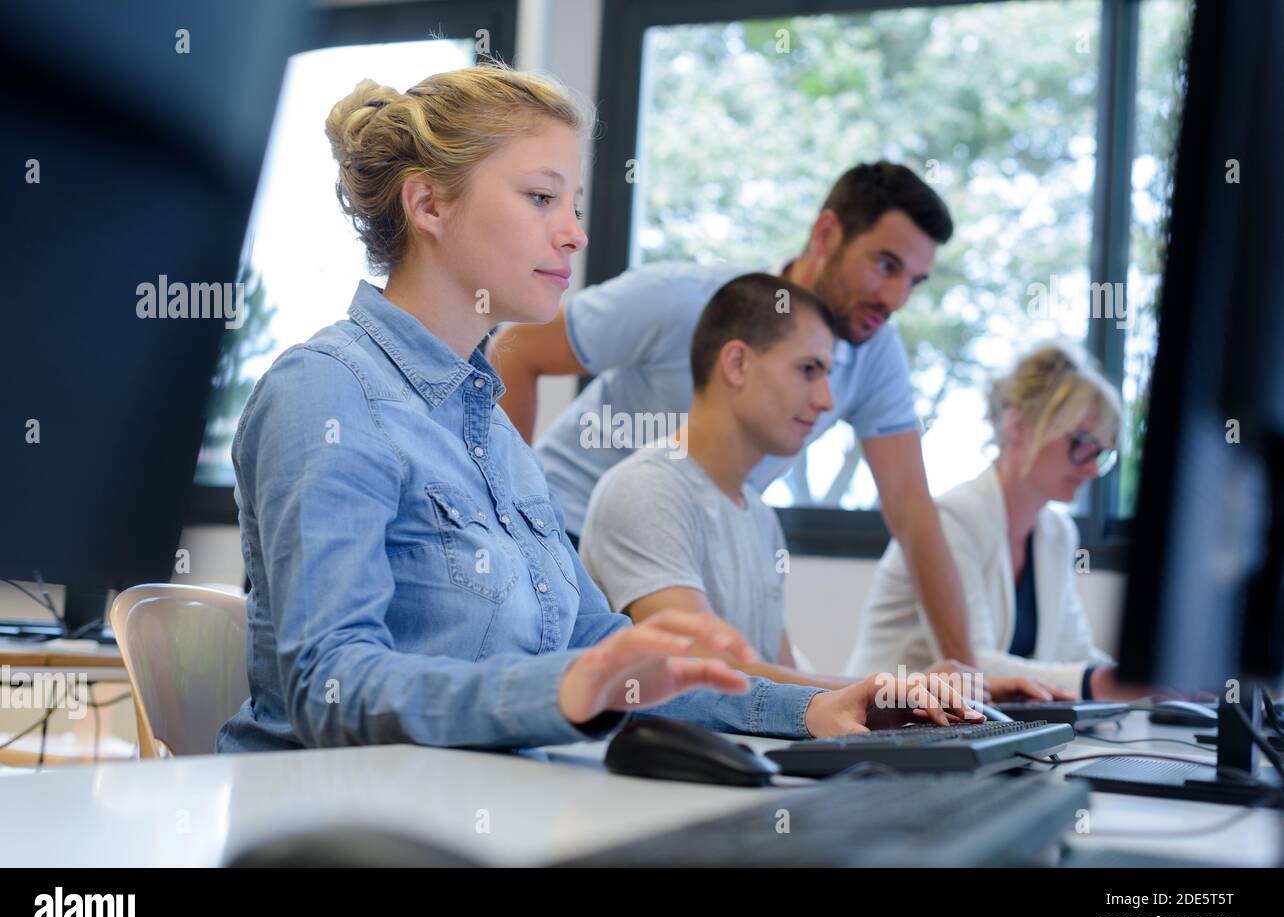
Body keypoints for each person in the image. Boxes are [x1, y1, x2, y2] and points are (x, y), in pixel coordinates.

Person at [216, 65, 972, 753]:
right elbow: (329, 687)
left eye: (573, 204)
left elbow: (600, 641)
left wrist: (817, 708)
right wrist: (567, 687)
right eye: (542, 198)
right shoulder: (323, 393)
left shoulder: (502, 442)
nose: (574, 231)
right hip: (336, 827)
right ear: (428, 204)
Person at [489, 161, 982, 666]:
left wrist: (968, 679)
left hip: (691, 549)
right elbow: (518, 348)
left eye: (915, 282)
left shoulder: (871, 351)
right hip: (569, 531)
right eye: (885, 265)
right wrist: (512, 525)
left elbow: (911, 508)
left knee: (745, 688)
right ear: (827, 234)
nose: (896, 298)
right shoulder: (683, 300)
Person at [582, 274, 1064, 705]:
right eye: (809, 370)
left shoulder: (757, 514)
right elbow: (705, 670)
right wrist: (894, 691)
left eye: (829, 375)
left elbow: (788, 677)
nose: (827, 400)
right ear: (736, 364)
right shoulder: (647, 489)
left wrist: (925, 694)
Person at [849, 343, 1145, 701]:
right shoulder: (953, 519)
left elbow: (1075, 653)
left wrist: (1142, 679)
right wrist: (1095, 681)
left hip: (964, 725)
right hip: (883, 723)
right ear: (1018, 425)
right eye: (1082, 443)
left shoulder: (1057, 533)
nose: (1092, 467)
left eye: (1103, 452)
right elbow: (970, 666)